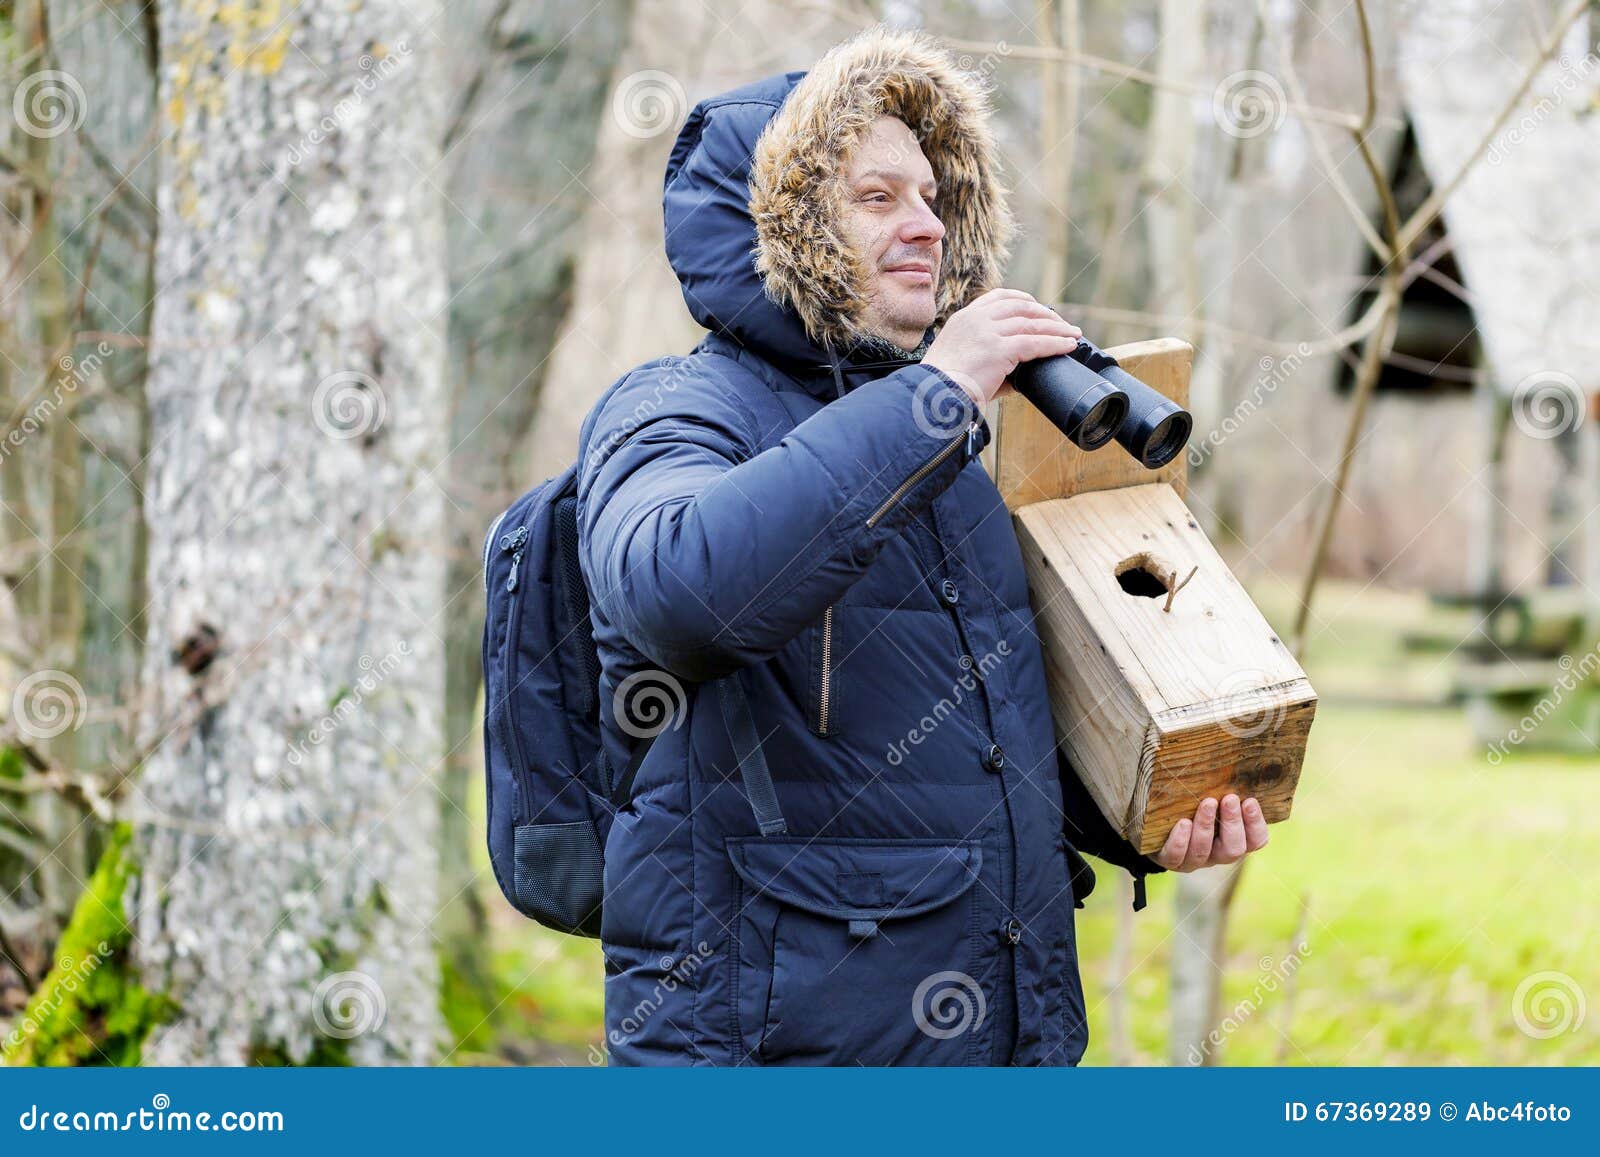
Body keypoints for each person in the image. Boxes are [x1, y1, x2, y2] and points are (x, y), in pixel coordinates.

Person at [576, 25, 1268, 1067]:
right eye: (877, 196)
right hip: (773, 1053)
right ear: (783, 225)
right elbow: (681, 597)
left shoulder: (947, 465)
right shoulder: (674, 408)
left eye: (935, 198)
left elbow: (964, 762)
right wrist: (939, 395)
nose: (928, 225)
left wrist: (1143, 817)